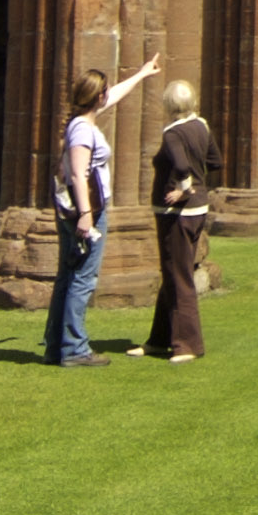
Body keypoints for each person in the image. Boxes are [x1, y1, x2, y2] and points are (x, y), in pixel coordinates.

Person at [46, 55, 157, 367]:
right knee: (82, 278)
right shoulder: (82, 130)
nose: (108, 95)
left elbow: (115, 95)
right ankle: (75, 349)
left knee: (68, 277)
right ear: (98, 96)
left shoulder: (83, 119)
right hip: (88, 211)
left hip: (80, 210)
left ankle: (57, 347)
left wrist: (141, 74)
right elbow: (79, 173)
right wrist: (85, 215)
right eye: (105, 91)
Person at [146, 79, 217, 362]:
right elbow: (215, 161)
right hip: (198, 211)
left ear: (168, 106)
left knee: (179, 276)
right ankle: (159, 340)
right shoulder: (202, 126)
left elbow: (181, 165)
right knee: (172, 272)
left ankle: (188, 344)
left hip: (177, 214)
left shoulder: (173, 133)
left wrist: (184, 188)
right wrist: (198, 185)